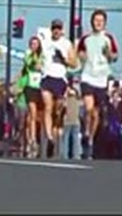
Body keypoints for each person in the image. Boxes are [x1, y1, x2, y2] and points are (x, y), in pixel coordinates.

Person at [77, 9, 119, 159]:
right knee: (89, 109)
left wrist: (108, 53)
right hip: (88, 76)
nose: (98, 23)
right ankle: (86, 132)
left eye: (101, 21)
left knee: (97, 113)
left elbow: (114, 57)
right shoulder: (86, 39)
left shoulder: (108, 38)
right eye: (96, 20)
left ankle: (90, 139)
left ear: (105, 23)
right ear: (92, 22)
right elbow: (79, 54)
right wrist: (81, 57)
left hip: (102, 78)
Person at [39, 19, 77, 158]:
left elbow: (74, 63)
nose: (56, 31)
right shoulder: (45, 42)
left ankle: (56, 129)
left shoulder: (66, 44)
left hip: (60, 79)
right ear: (51, 29)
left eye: (59, 28)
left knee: (58, 109)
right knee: (48, 107)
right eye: (54, 28)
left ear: (62, 30)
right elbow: (37, 56)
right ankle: (49, 137)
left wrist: (64, 59)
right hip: (47, 77)